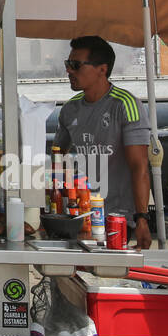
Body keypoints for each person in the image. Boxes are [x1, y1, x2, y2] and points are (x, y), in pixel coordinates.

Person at [52, 36, 153, 249]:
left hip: (116, 217)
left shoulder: (125, 105)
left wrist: (142, 217)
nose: (69, 71)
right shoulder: (69, 109)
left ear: (102, 69)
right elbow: (57, 155)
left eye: (75, 65)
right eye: (67, 64)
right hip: (79, 215)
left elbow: (140, 166)